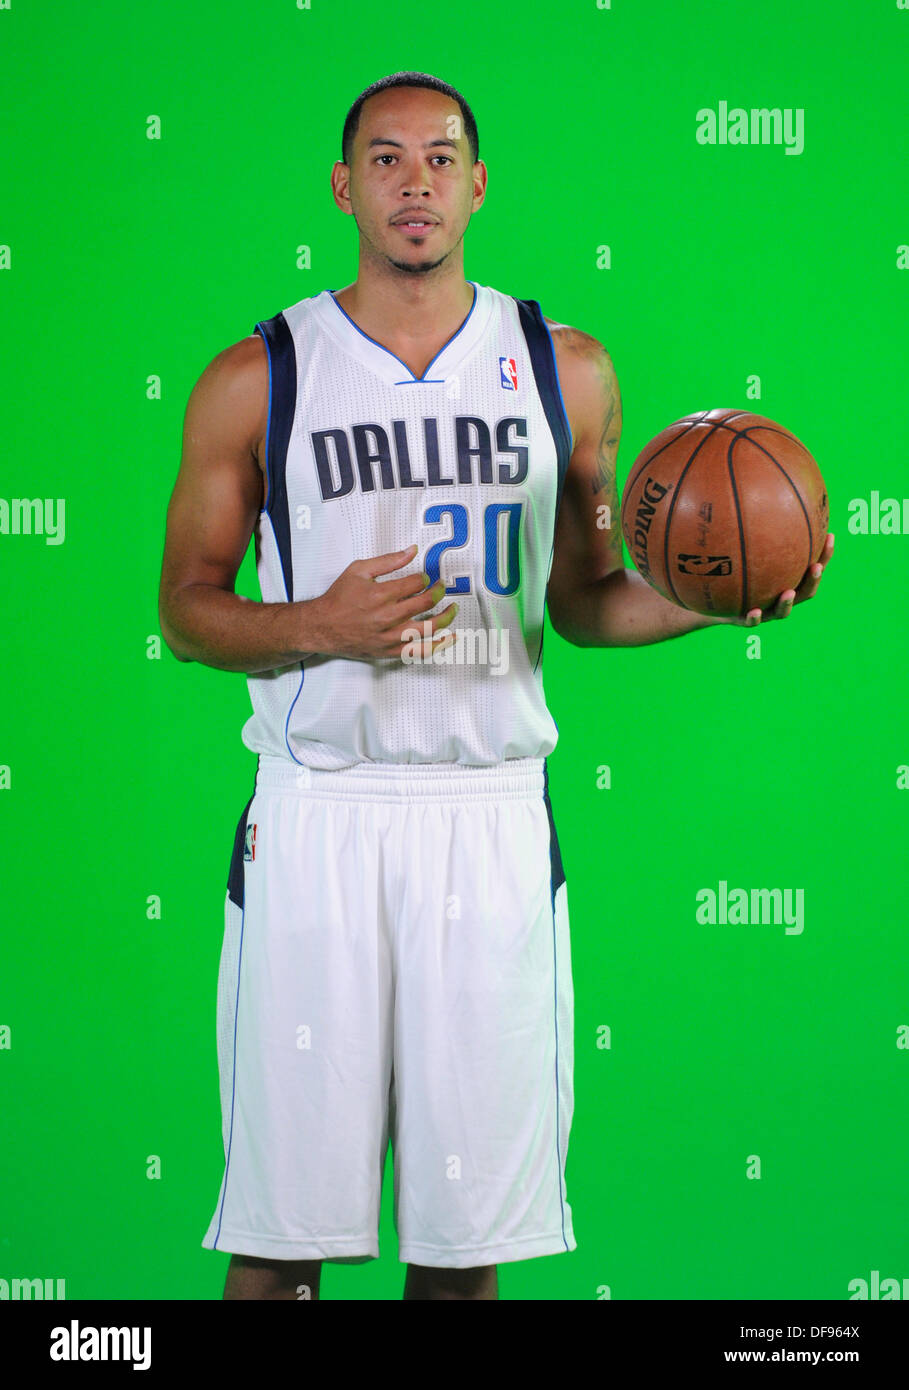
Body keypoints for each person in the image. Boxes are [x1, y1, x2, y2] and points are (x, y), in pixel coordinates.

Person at [158, 71, 833, 1302]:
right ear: (344, 185)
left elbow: (582, 601)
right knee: (277, 1245)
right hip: (322, 814)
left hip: (489, 819)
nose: (414, 181)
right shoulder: (257, 377)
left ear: (478, 183)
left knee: (468, 1255)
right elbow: (187, 611)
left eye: (440, 157)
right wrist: (321, 623)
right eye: (386, 157)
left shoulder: (565, 370)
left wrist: (715, 597)